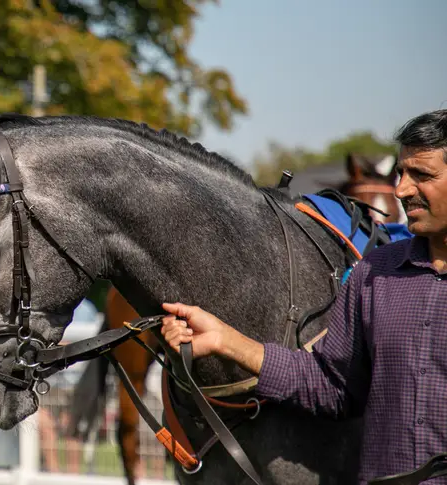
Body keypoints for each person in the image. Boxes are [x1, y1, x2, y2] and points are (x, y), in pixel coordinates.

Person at [160, 109, 447, 484]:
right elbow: (330, 386)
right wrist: (225, 341)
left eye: (421, 175)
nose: (402, 190)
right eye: (401, 173)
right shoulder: (374, 273)